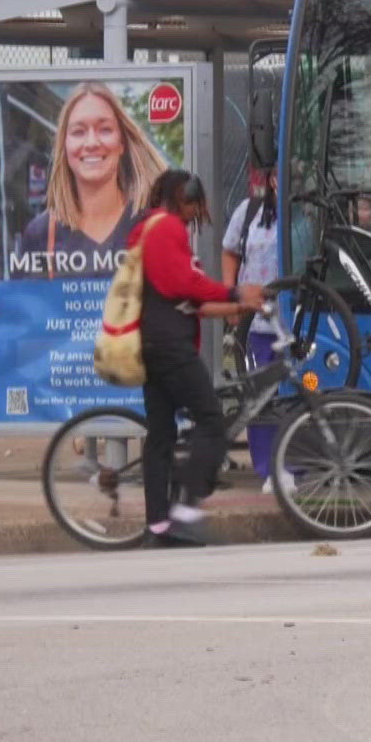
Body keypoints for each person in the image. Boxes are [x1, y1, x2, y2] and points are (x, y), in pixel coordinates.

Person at [131, 170, 264, 545]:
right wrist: (235, 293)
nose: (197, 215)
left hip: (151, 340)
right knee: (211, 422)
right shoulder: (166, 229)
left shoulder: (146, 229)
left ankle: (158, 527)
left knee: (160, 435)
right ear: (185, 197)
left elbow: (183, 299)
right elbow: (183, 285)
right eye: (196, 205)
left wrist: (230, 305)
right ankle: (186, 512)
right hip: (170, 343)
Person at [16, 82, 169, 279]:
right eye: (78, 132)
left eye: (104, 129)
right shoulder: (42, 233)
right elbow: (23, 307)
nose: (91, 143)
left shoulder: (154, 225)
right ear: (65, 146)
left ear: (122, 142)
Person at [222, 168, 285, 494]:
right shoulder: (249, 212)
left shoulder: (308, 212)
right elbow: (231, 252)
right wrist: (231, 298)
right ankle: (268, 467)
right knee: (262, 396)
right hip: (259, 323)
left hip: (300, 321)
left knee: (306, 388)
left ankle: (301, 461)